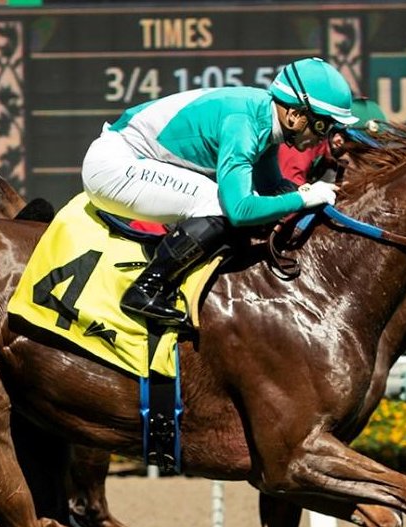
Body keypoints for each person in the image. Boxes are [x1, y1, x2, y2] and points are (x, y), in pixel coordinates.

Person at [81, 57, 356, 326]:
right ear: (294, 115)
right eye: (322, 125)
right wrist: (303, 198)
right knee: (218, 204)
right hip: (115, 166)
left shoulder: (266, 119)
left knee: (231, 202)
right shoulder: (244, 125)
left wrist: (300, 193)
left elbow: (272, 186)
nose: (324, 138)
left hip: (127, 160)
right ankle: (146, 288)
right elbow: (240, 211)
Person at [278, 96, 388, 186]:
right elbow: (288, 201)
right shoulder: (301, 146)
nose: (369, 162)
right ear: (338, 141)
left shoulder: (332, 152)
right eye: (364, 153)